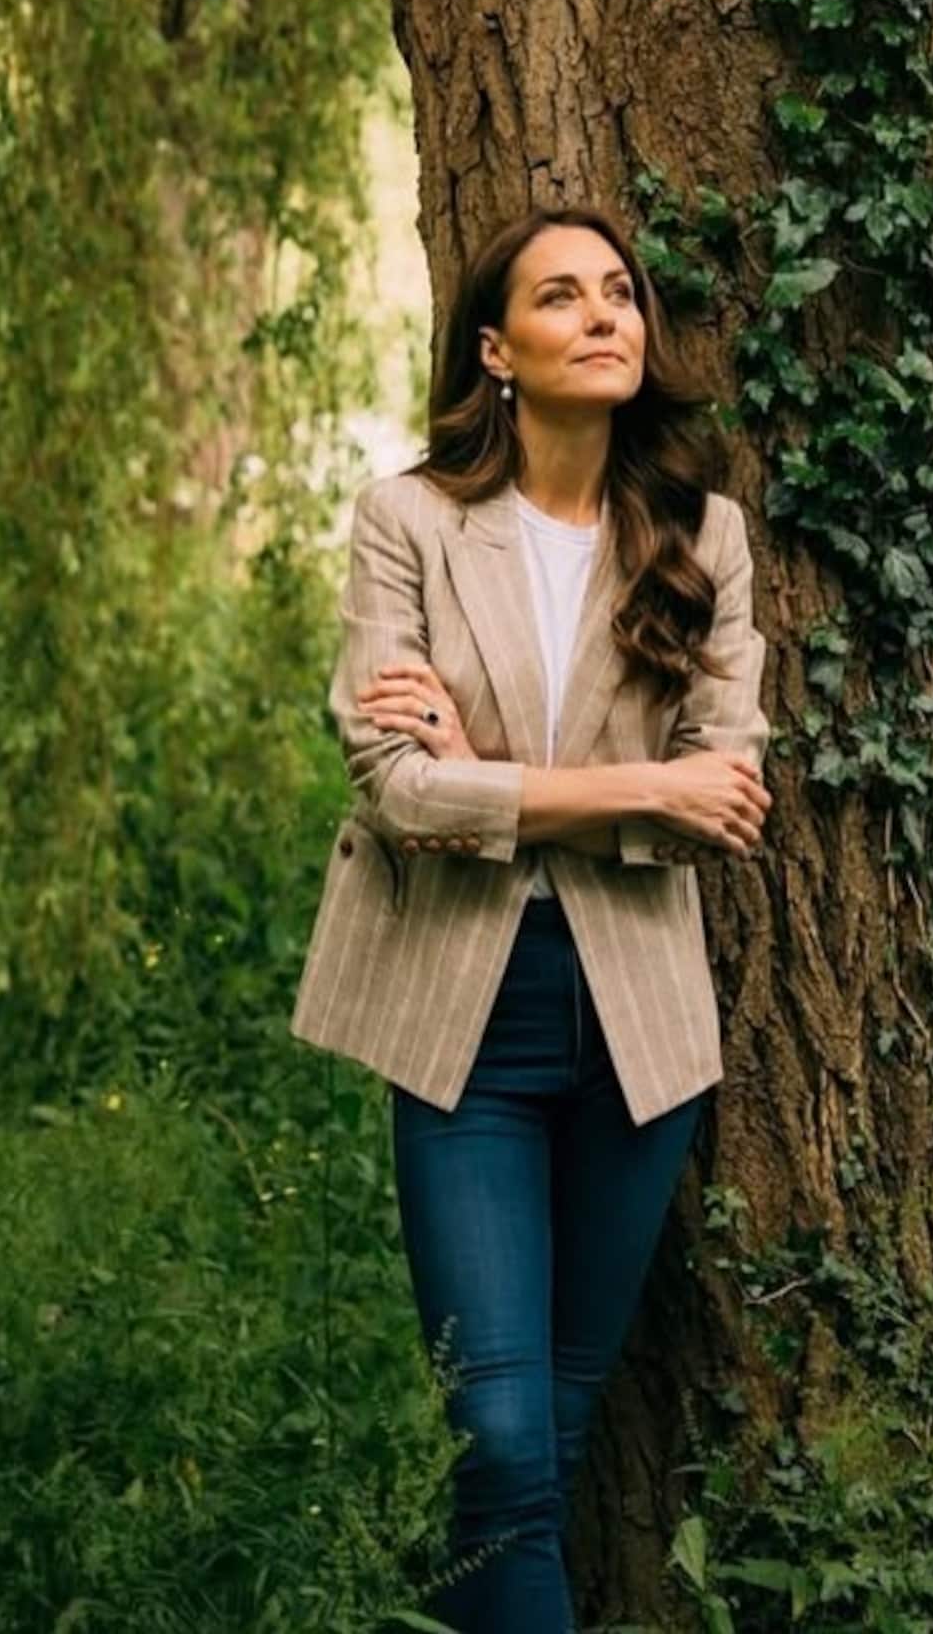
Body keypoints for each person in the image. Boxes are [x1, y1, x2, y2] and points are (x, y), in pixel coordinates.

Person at [288, 203, 773, 1632]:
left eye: (620, 293)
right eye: (563, 299)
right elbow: (395, 792)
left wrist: (490, 772)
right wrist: (639, 790)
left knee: (549, 1440)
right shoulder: (412, 525)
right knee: (496, 1435)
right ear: (498, 351)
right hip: (462, 1018)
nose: (606, 315)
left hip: (638, 1028)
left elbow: (727, 793)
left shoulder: (704, 533)